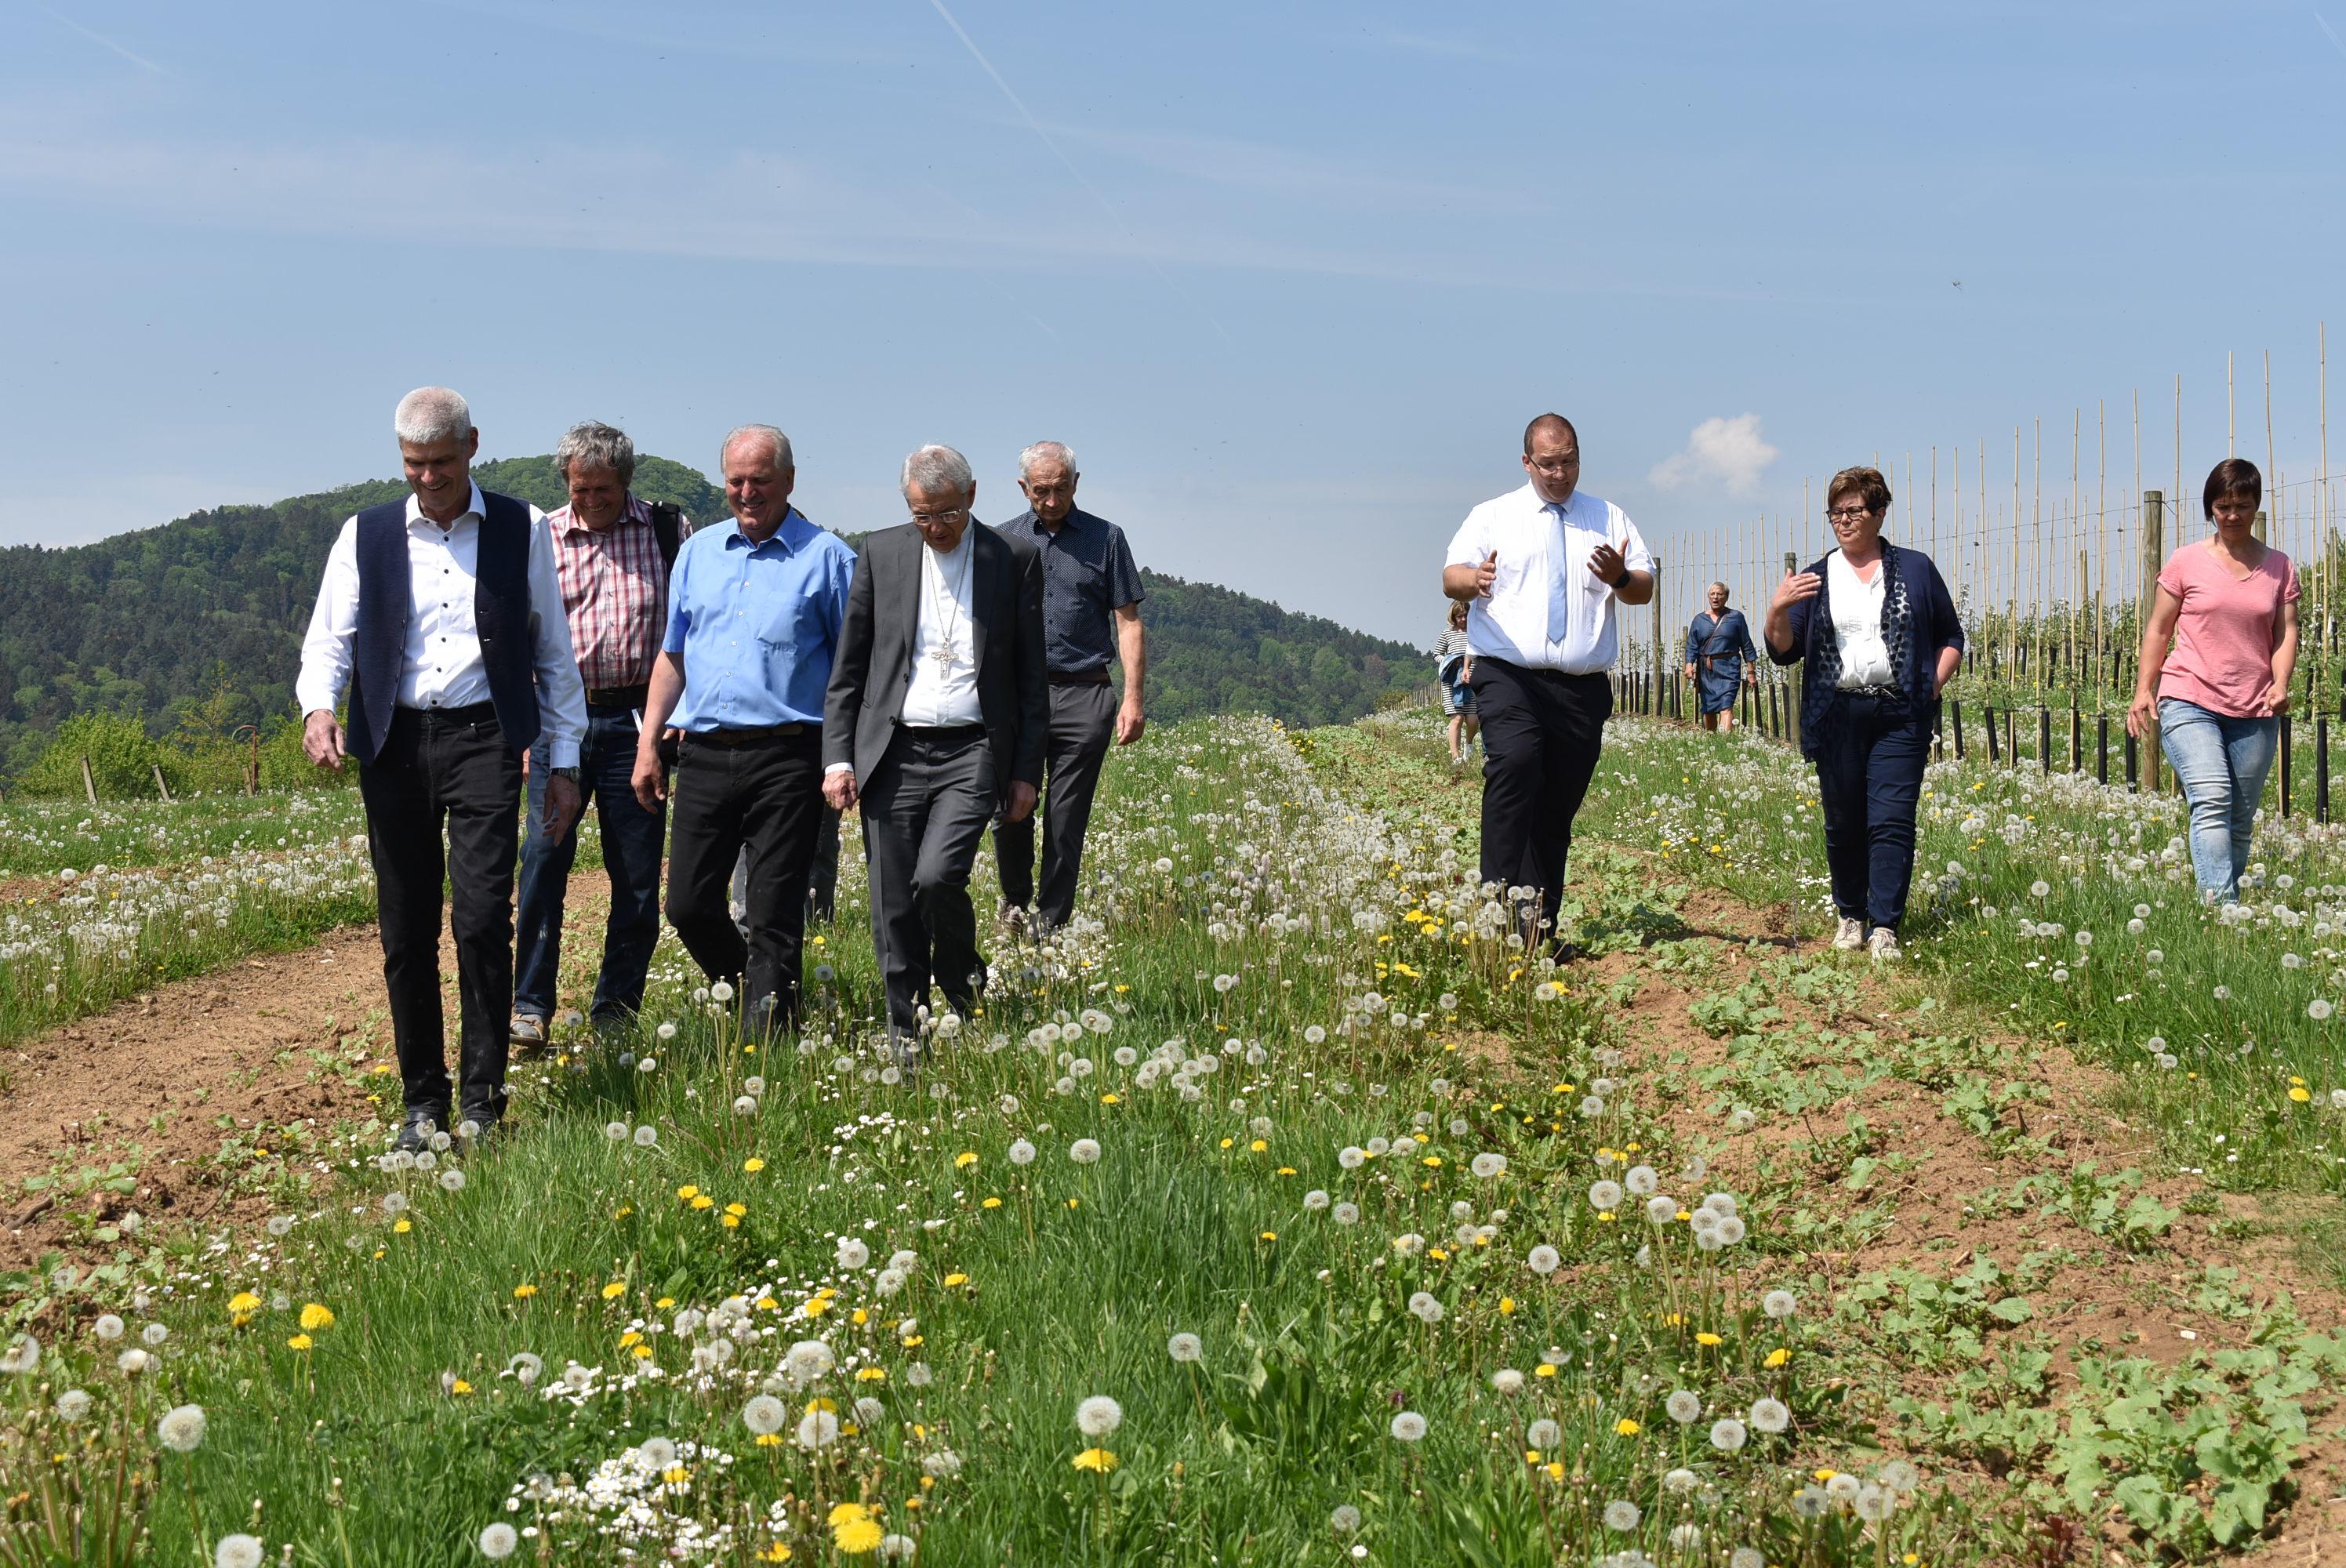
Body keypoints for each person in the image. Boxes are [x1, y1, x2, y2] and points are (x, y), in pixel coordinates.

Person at [296, 387, 587, 1149]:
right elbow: (329, 637)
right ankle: (422, 1103)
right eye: (413, 464)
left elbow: (553, 651)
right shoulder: (365, 535)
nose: (427, 478)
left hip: (486, 738)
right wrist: (319, 708)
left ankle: (482, 1103)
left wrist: (563, 758)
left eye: (442, 463)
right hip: (393, 743)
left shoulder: (520, 528)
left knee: (484, 919)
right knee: (405, 928)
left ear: (473, 447)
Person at [632, 425, 855, 1036]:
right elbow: (672, 655)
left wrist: (843, 757)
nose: (747, 492)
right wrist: (649, 741)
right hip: (703, 752)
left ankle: (770, 1045)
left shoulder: (829, 558)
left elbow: (850, 669)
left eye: (760, 480)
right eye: (736, 480)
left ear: (788, 481)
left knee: (774, 910)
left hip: (789, 755)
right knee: (687, 905)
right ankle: (754, 992)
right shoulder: (698, 552)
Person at [824, 445, 1046, 1045]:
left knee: (938, 876)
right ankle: (907, 1034)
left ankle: (961, 976)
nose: (935, 528)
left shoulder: (1013, 557)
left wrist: (1027, 770)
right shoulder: (882, 551)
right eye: (922, 515)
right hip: (892, 748)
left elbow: (1031, 675)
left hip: (973, 748)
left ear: (971, 497)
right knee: (892, 901)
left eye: (946, 513)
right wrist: (839, 756)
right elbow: (850, 666)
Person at [1442, 413, 1654, 955]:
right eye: (1548, 464)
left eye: (1569, 462)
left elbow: (1644, 588)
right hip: (1507, 670)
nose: (1559, 474)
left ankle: (1535, 929)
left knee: (1556, 806)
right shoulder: (1493, 516)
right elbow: (1452, 575)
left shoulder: (1608, 518)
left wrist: (1621, 578)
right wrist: (1476, 580)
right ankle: (1493, 909)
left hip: (1580, 687)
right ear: (1527, 462)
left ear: (1579, 457)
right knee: (1514, 764)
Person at [511, 422, 688, 1044]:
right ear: (565, 482)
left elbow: (688, 629)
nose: (591, 500)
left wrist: (671, 727)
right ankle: (530, 1006)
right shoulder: (544, 539)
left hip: (639, 724)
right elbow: (522, 636)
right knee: (541, 862)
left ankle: (616, 1012)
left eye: (604, 489)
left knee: (637, 875)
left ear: (627, 481)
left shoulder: (668, 531)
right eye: (581, 488)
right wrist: (530, 735)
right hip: (561, 722)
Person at [1764, 466, 1964, 961]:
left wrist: (1931, 684)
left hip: (1901, 712)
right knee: (1844, 820)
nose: (1844, 520)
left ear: (1879, 512)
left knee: (1892, 819)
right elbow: (1784, 652)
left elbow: (1951, 636)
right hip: (1837, 713)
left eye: (1855, 510)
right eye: (1837, 512)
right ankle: (1850, 915)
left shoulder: (1915, 569)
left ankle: (1885, 926)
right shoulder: (1816, 575)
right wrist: (1774, 611)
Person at [2126, 457, 2300, 903]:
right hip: (2190, 695)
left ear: (2257, 506)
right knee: (2211, 795)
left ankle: (2225, 902)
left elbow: (2286, 632)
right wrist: (2144, 690)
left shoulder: (2279, 567)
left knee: (2240, 818)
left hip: (2256, 705)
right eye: (2223, 507)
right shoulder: (2186, 561)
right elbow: (2159, 629)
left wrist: (2280, 683)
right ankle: (2221, 911)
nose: (2233, 515)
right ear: (2211, 510)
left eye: (2242, 505)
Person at [990, 441, 1146, 937]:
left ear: (1076, 483)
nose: (1052, 499)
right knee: (1010, 806)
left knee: (1065, 815)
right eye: (1041, 490)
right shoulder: (1001, 541)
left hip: (1085, 693)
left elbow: (1128, 623)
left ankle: (1051, 922)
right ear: (1023, 489)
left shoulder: (1106, 539)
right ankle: (1015, 904)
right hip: (1016, 696)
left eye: (1061, 488)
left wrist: (1134, 699)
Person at [1683, 580, 1758, 732]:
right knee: (1708, 709)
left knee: (1726, 705)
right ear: (1708, 597)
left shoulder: (1736, 617)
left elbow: (1746, 645)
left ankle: (1725, 742)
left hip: (1729, 667)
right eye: (1712, 594)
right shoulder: (1699, 620)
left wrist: (1751, 672)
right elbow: (1692, 646)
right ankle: (1712, 742)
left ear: (1726, 597)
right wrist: (1689, 665)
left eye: (1719, 594)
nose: (1715, 597)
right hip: (1707, 671)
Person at [1435, 600, 1478, 764]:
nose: (1463, 619)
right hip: (1452, 682)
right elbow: (1436, 654)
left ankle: (1468, 744)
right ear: (1453, 616)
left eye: (1466, 616)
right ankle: (1456, 756)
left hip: (1471, 680)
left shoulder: (1474, 633)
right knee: (1457, 718)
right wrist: (1449, 661)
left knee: (1473, 720)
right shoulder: (1447, 633)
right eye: (1460, 616)